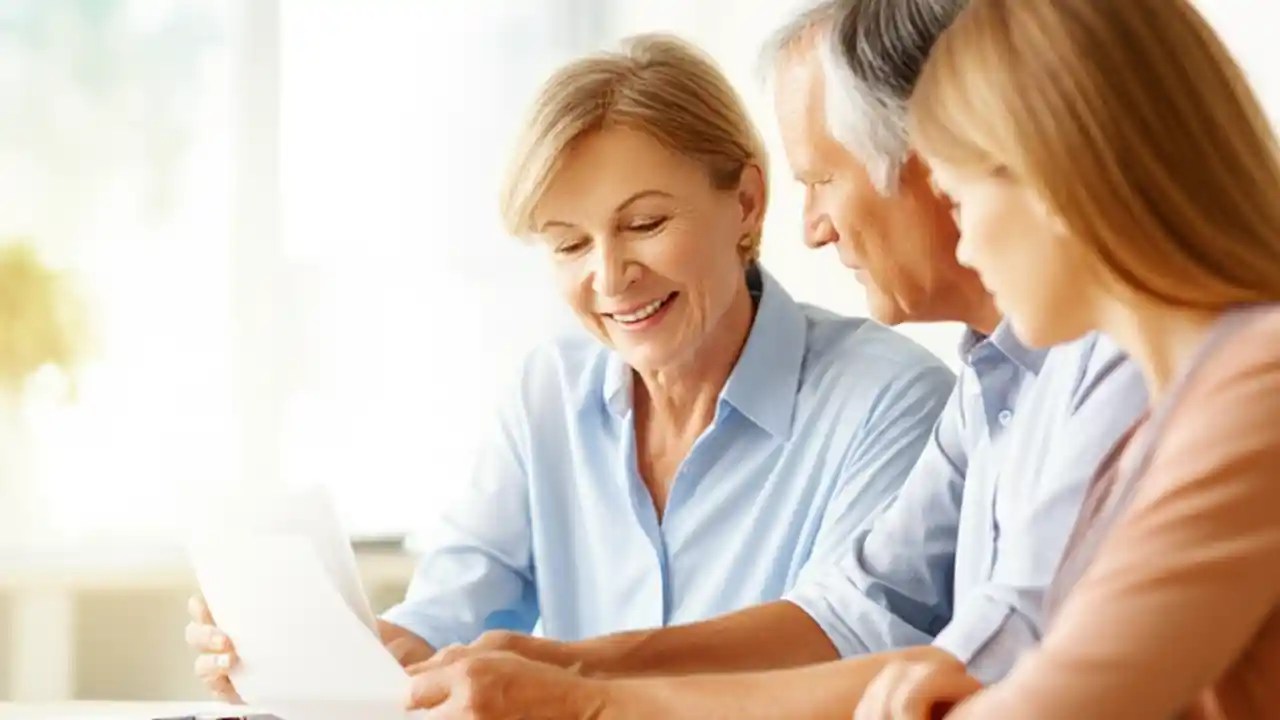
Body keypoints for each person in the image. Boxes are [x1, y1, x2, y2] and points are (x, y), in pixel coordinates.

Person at [400, 2, 1148, 717]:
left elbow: (1002, 659)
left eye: (822, 179)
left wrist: (588, 698)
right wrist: (576, 667)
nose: (815, 227)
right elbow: (859, 606)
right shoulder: (992, 379)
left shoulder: (1089, 366)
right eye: (567, 244)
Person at [185, 33, 956, 702]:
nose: (611, 276)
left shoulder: (890, 400)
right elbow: (446, 620)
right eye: (569, 244)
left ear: (748, 202)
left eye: (645, 224)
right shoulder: (548, 394)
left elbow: (853, 643)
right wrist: (304, 658)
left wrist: (574, 672)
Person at [852, 0, 1280, 718]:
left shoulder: (1258, 385)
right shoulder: (1176, 415)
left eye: (957, 203)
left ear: (1045, 176)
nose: (963, 249)